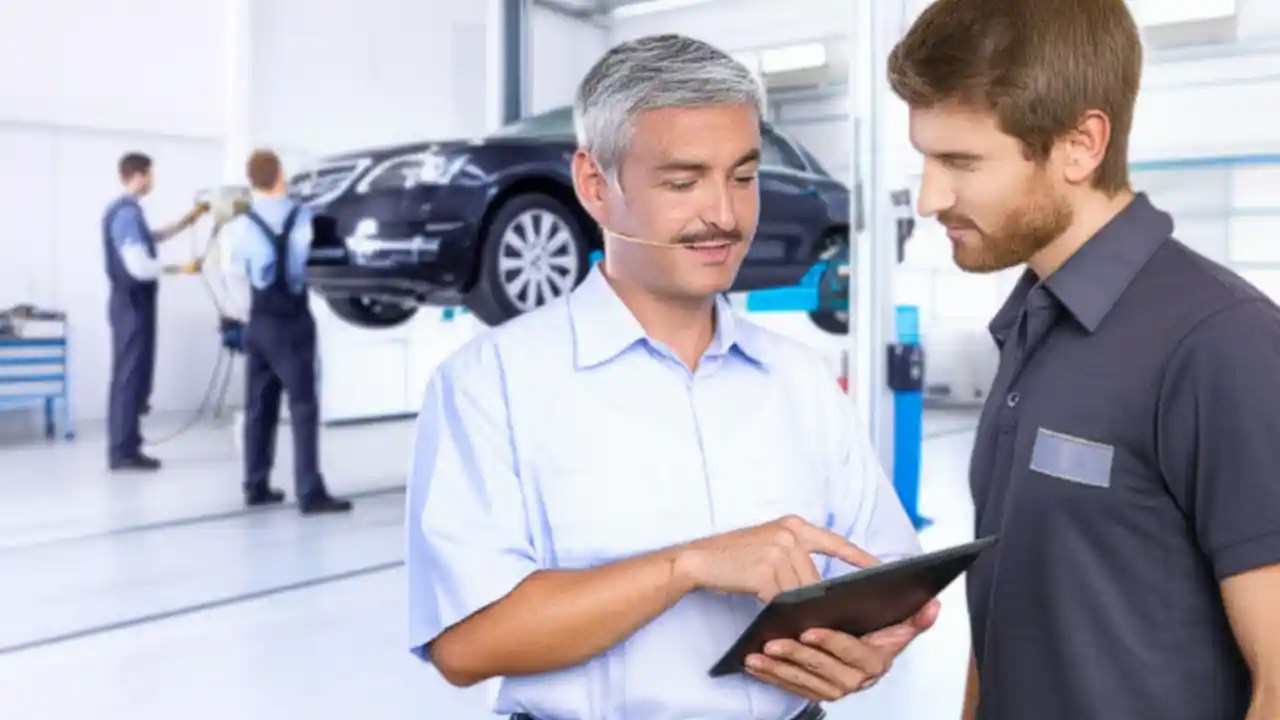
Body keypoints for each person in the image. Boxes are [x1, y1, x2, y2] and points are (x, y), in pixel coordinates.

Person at [406, 34, 937, 720]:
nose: (724, 214)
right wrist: (686, 566)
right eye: (684, 182)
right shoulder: (489, 385)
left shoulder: (799, 382)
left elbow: (879, 572)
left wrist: (869, 649)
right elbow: (465, 643)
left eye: (743, 177)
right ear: (595, 184)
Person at [887, 1, 1280, 719]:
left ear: (1080, 144)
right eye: (926, 157)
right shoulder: (1031, 324)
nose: (930, 197)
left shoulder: (1222, 342)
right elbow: (1008, 614)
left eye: (961, 161)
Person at [223, 150, 352, 515]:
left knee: (258, 407)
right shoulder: (303, 217)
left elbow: (232, 277)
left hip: (258, 322)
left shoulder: (240, 225)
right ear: (280, 175)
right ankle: (310, 491)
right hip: (292, 319)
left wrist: (243, 316)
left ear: (252, 182)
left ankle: (256, 484)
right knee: (303, 405)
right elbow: (316, 259)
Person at [103, 152, 206, 471]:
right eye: (152, 173)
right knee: (129, 377)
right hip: (132, 305)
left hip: (132, 305)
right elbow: (140, 267)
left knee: (133, 376)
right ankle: (123, 451)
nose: (154, 179)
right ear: (141, 174)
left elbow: (151, 238)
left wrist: (188, 220)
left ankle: (128, 446)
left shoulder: (125, 212)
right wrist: (180, 268)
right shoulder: (127, 214)